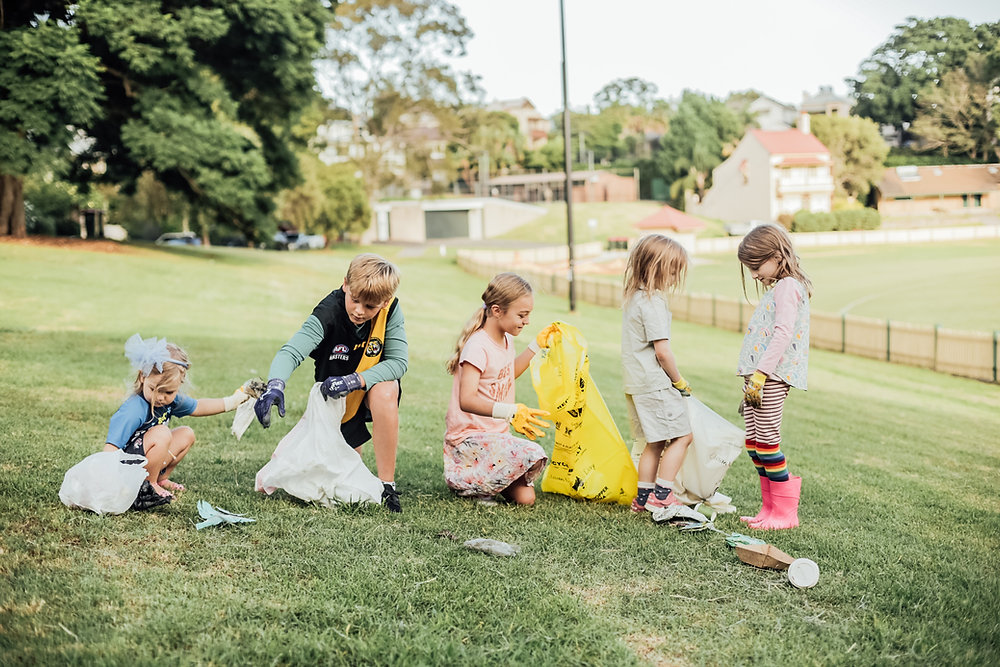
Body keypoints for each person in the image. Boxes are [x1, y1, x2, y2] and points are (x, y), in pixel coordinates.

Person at [255, 253, 408, 512]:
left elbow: (398, 362)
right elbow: (291, 351)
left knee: (386, 389)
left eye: (370, 307)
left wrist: (355, 380)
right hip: (335, 400)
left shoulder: (391, 310)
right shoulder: (328, 311)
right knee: (342, 481)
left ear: (384, 302)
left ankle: (387, 485)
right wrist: (276, 384)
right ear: (345, 284)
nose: (359, 311)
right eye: (355, 300)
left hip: (366, 388)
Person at [443, 273, 556, 506]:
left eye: (528, 315)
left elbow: (506, 374)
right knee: (533, 452)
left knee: (526, 499)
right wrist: (510, 412)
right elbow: (467, 399)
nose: (526, 321)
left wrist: (535, 346)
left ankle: (484, 483)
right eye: (522, 315)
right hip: (469, 440)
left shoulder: (506, 340)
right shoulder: (477, 346)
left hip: (495, 438)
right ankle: (469, 480)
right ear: (497, 311)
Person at [104, 334, 251, 509]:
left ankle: (160, 478)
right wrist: (105, 480)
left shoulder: (170, 400)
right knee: (162, 433)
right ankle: (148, 485)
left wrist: (233, 402)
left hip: (145, 459)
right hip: (127, 467)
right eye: (154, 389)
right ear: (142, 377)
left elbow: (198, 407)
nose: (161, 397)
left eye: (168, 392)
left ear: (178, 386)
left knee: (186, 433)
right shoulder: (134, 409)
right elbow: (111, 447)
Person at [736, 223, 811, 530]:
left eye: (756, 266)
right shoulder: (778, 288)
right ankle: (769, 509)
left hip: (771, 377)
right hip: (758, 377)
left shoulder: (789, 287)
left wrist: (761, 375)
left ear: (777, 255)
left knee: (767, 441)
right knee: (754, 443)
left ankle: (785, 513)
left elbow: (782, 333)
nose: (754, 274)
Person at [621, 234, 694, 513]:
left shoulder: (634, 299)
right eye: (673, 270)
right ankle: (662, 495)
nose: (676, 277)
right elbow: (662, 351)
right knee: (683, 436)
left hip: (637, 383)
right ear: (656, 268)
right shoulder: (652, 302)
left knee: (654, 442)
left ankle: (642, 499)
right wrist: (679, 381)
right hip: (655, 383)